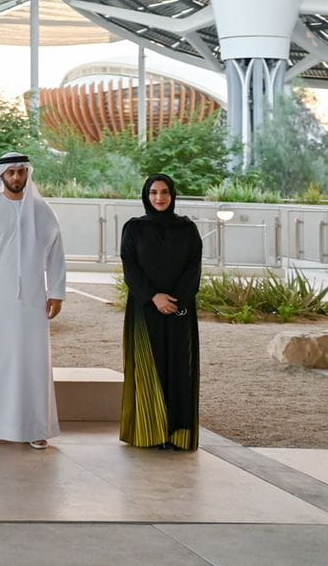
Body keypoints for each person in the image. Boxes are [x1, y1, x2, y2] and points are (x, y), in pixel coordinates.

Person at [0, 152, 66, 449]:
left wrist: (57, 292)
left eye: (21, 171)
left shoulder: (43, 211)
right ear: (1, 175)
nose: (16, 177)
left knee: (33, 362)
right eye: (11, 172)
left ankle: (36, 427)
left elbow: (56, 253)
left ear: (27, 174)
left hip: (33, 301)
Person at [120, 173, 203, 451]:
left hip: (180, 311)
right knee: (148, 368)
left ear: (173, 195)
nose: (159, 197)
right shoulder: (134, 229)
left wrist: (175, 301)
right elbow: (130, 268)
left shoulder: (187, 229)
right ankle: (151, 433)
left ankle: (178, 436)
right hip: (145, 311)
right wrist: (154, 297)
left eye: (165, 192)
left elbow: (194, 268)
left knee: (179, 370)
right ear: (146, 196)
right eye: (154, 192)